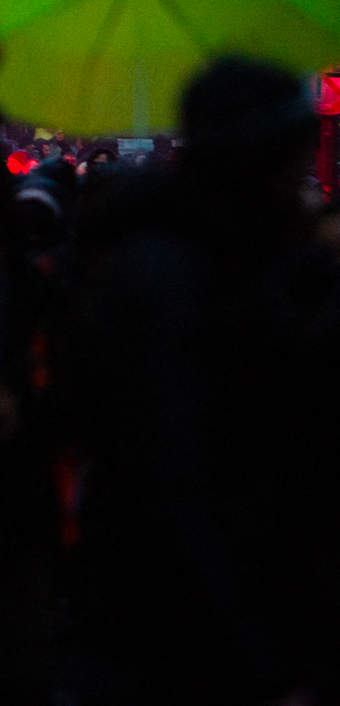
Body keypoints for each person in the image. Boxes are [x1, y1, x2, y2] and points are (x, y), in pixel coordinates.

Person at [73, 58, 333, 706]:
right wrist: (266, 662)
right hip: (188, 639)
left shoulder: (239, 261)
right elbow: (174, 481)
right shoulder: (177, 279)